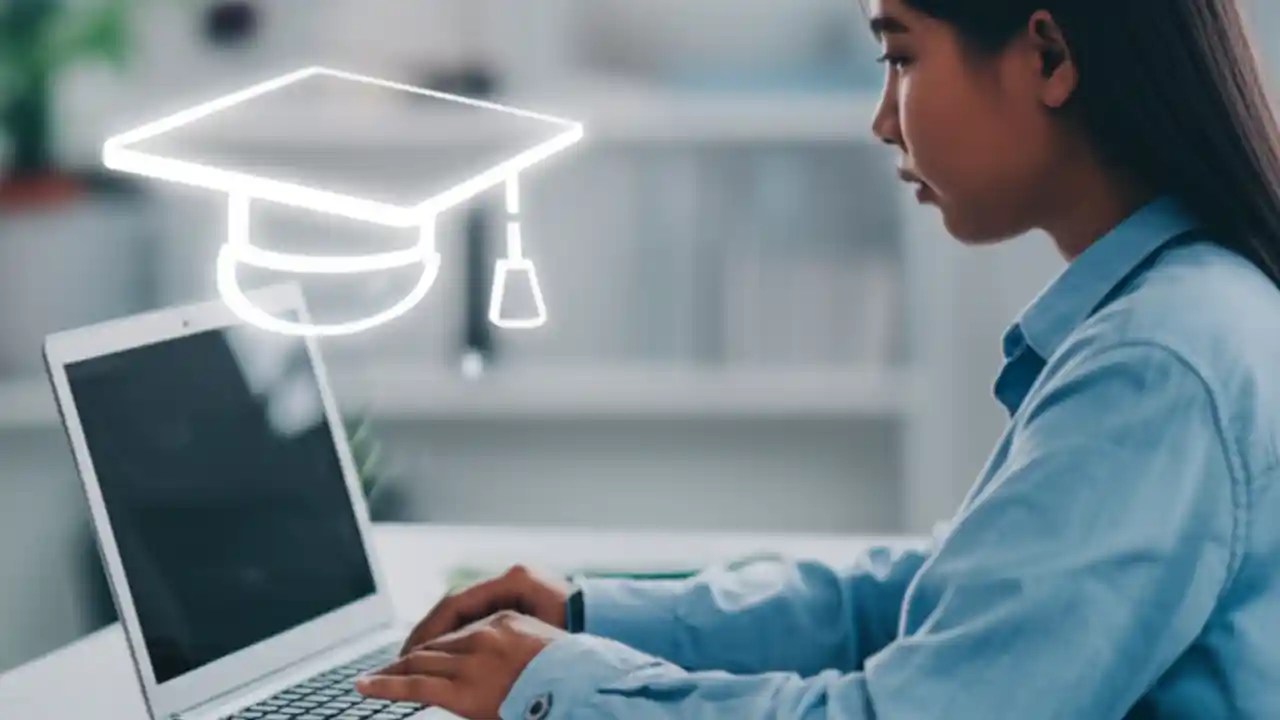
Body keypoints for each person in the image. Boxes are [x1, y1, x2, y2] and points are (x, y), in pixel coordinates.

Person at [356, 0, 1280, 717]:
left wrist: (565, 688)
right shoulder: (1182, 312)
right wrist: (590, 620)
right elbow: (920, 602)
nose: (883, 119)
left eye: (900, 56)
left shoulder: (1157, 364)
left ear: (1048, 57)